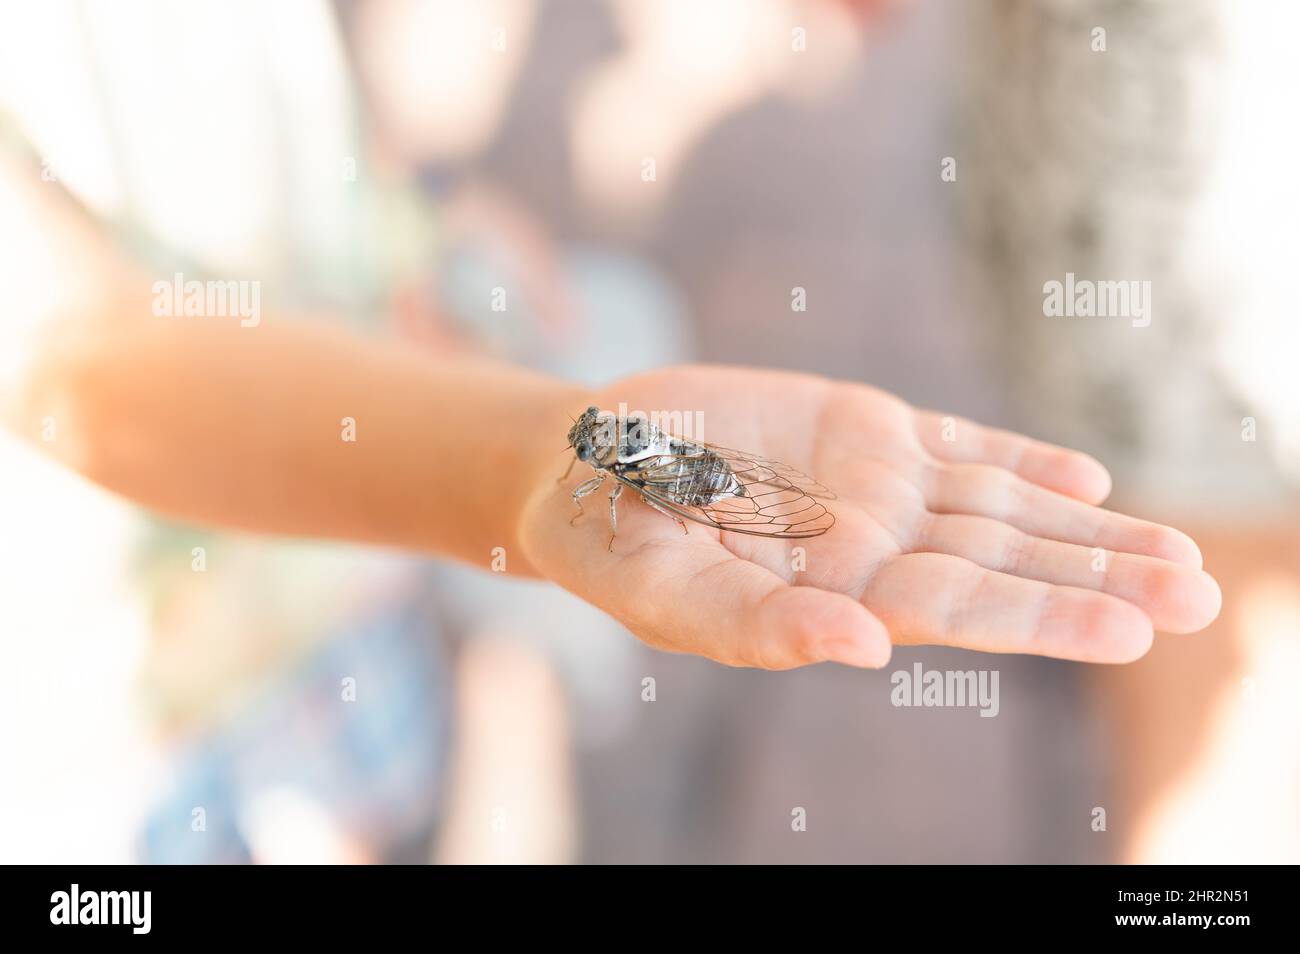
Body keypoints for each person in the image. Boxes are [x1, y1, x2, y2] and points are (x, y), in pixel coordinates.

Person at [4, 138, 1221, 672]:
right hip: (143, 618)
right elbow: (70, 360)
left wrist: (410, 189)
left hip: (345, 392)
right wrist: (521, 458)